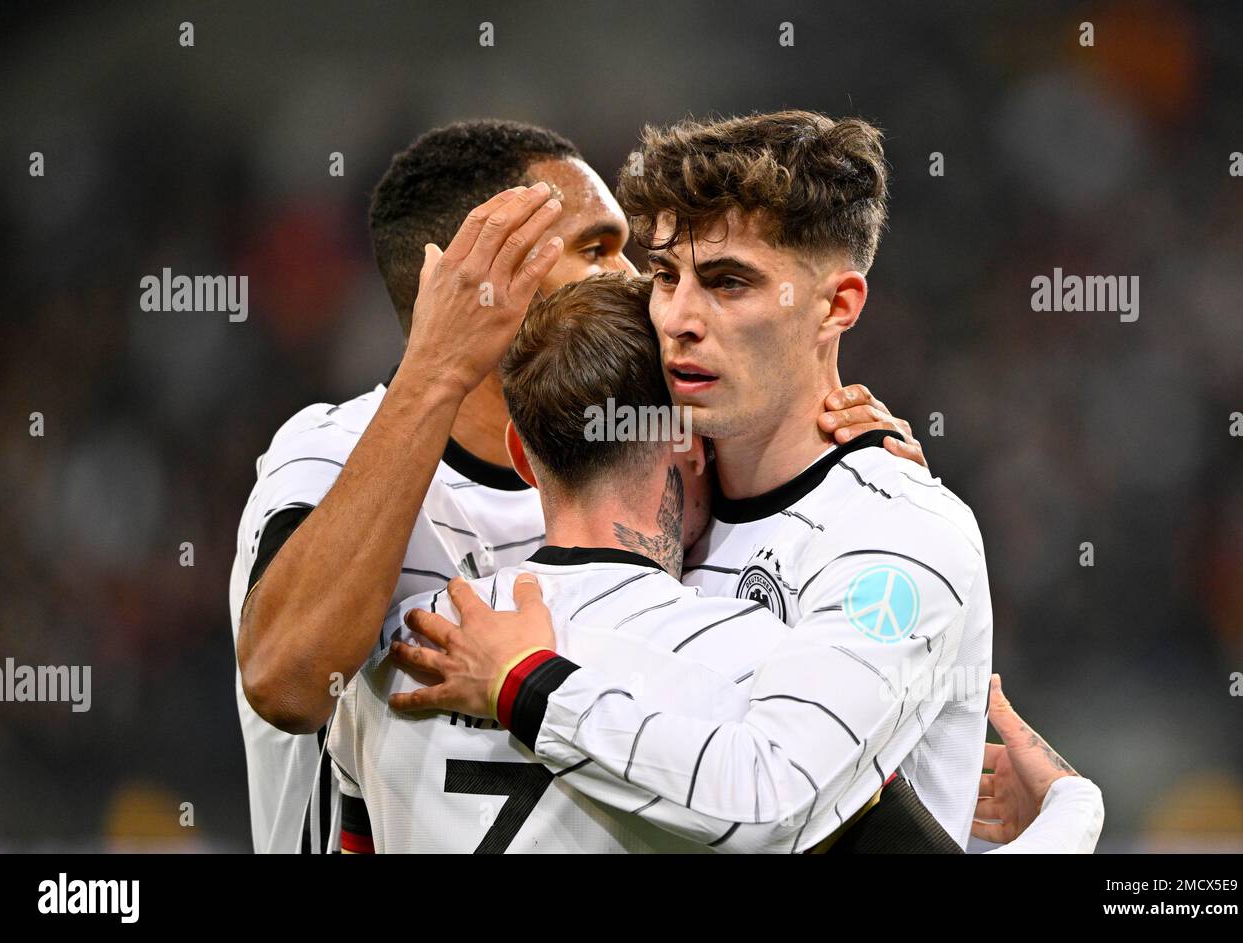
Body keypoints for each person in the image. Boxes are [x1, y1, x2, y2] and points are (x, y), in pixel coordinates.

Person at [230, 120, 917, 852]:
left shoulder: (663, 457)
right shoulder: (333, 449)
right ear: (478, 275)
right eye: (598, 249)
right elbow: (290, 682)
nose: (637, 281)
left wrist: (865, 491)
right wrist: (435, 365)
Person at [394, 111, 995, 851]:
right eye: (666, 276)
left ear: (836, 305)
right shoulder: (650, 506)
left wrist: (526, 684)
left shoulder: (894, 532)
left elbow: (772, 800)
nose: (677, 317)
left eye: (727, 283)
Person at [333, 275, 1102, 853]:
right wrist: (1072, 808)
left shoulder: (393, 651)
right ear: (690, 438)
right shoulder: (753, 669)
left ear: (521, 458)